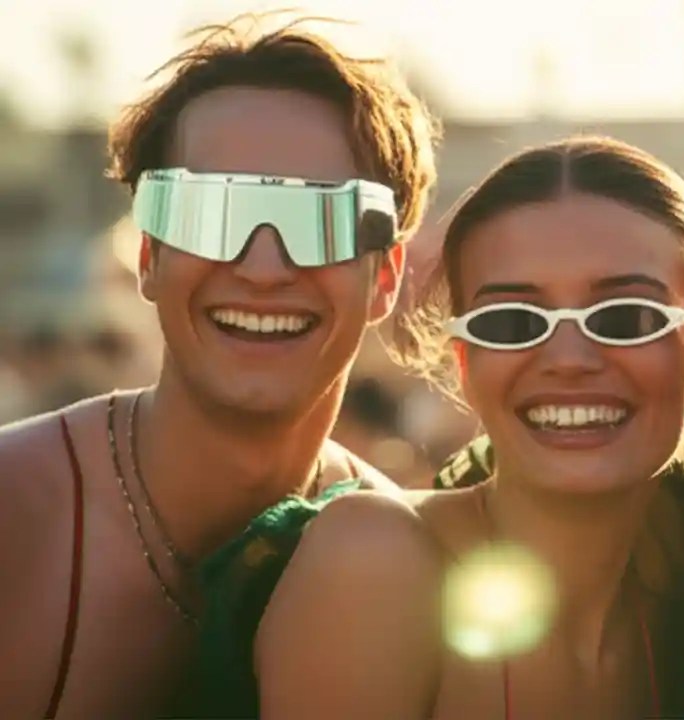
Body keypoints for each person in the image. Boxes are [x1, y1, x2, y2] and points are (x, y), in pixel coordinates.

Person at [0, 13, 437, 718]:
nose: (263, 267)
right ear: (149, 256)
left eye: (320, 219)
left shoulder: (404, 562)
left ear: (385, 276)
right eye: (209, 213)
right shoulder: (15, 518)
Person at [254, 136, 684, 719]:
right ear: (466, 365)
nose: (569, 358)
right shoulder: (377, 558)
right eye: (512, 323)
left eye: (625, 317)